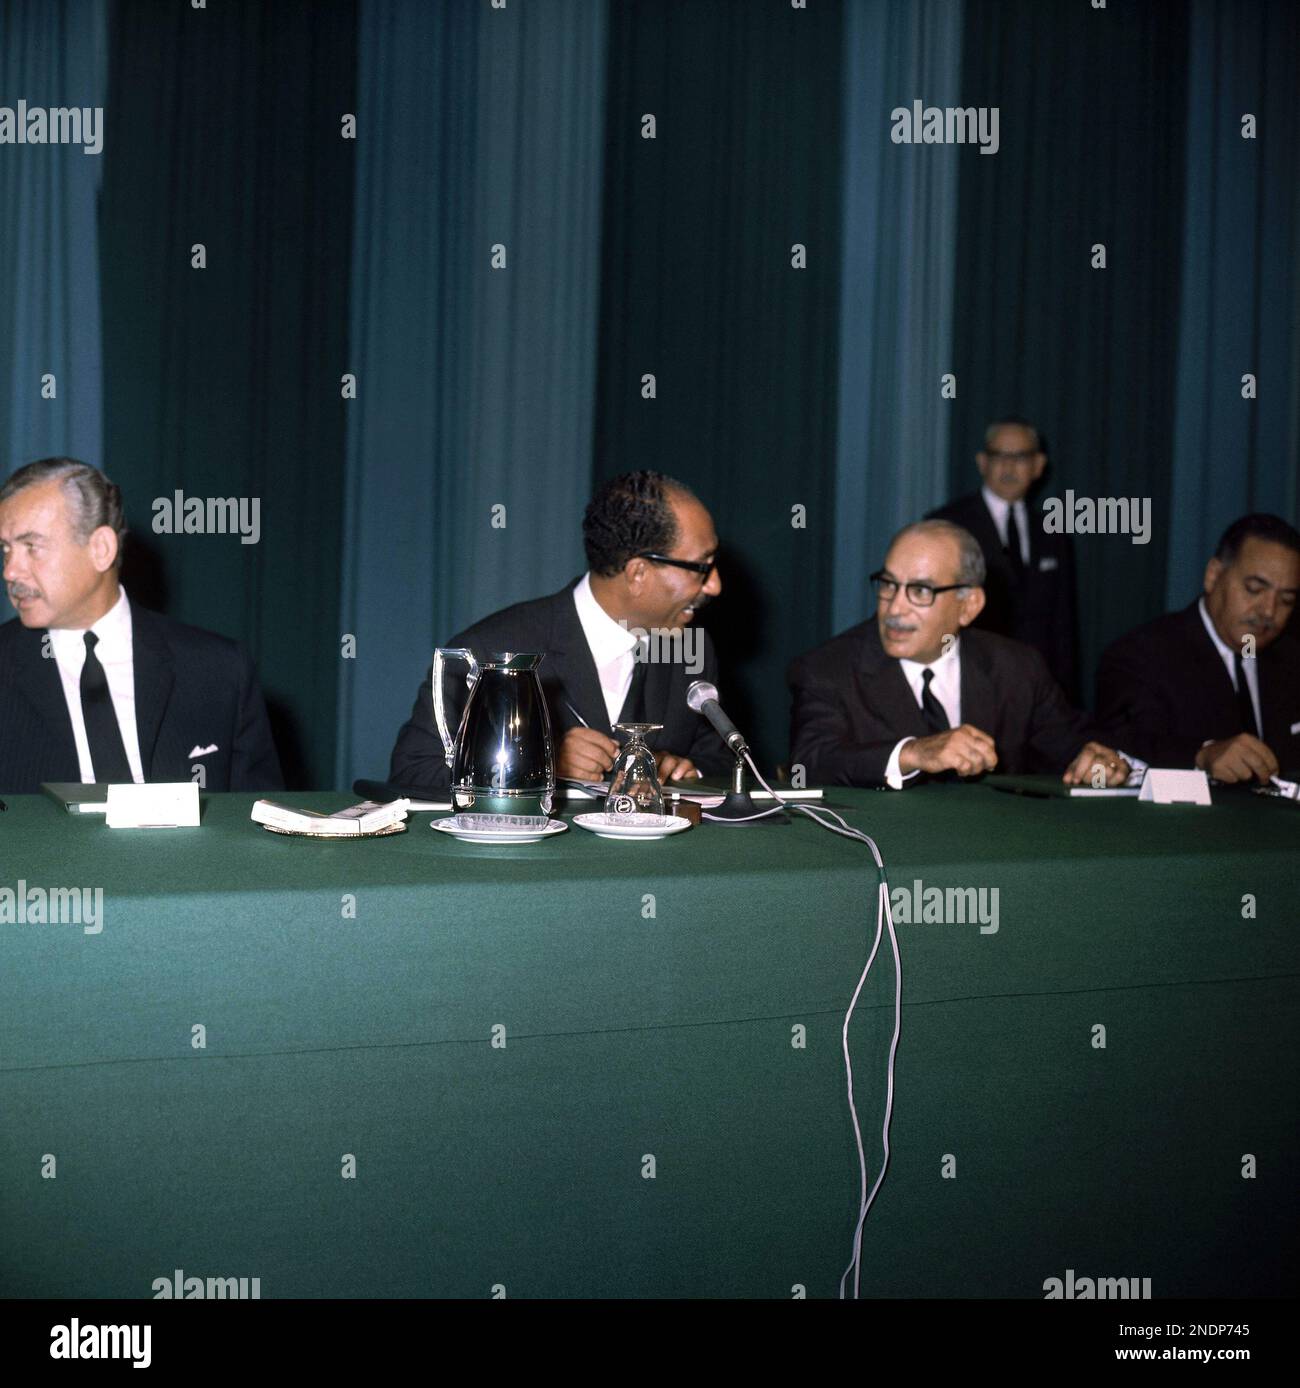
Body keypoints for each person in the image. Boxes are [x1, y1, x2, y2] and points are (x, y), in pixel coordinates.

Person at [389, 471, 734, 790]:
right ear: (638, 572)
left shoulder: (692, 651)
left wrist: (684, 770)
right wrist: (541, 764)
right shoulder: (488, 649)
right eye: (701, 568)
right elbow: (411, 773)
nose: (715, 585)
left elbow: (721, 764)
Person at [0, 458, 283, 795]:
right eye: (6, 550)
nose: (10, 572)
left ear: (101, 549)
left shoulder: (220, 670)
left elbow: (260, 822)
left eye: (32, 547)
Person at [787, 519, 1127, 789]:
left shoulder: (1016, 668)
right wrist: (914, 753)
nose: (895, 607)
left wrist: (1099, 761)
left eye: (920, 591)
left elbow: (1076, 746)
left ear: (969, 605)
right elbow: (810, 764)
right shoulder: (828, 668)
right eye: (889, 584)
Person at [1096, 513, 1300, 783]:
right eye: (1254, 589)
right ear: (1213, 575)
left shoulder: (1292, 660)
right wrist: (1201, 755)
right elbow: (1127, 747)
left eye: (1286, 600)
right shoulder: (1142, 655)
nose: (1269, 611)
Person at [928, 417, 1078, 697]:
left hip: (1037, 691)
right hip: (968, 686)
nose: (1008, 466)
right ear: (982, 462)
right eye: (999, 456)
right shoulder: (945, 526)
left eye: (1020, 456)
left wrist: (1065, 696)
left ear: (1038, 465)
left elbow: (1063, 629)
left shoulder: (1054, 535)